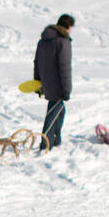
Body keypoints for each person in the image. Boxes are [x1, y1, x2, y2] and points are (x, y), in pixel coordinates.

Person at [34, 14, 74, 151]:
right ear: (68, 27)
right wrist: (67, 89)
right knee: (54, 111)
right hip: (58, 84)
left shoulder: (43, 40)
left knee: (59, 110)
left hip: (46, 81)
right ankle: (45, 143)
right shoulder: (63, 41)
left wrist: (38, 82)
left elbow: (37, 62)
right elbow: (65, 66)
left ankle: (56, 139)